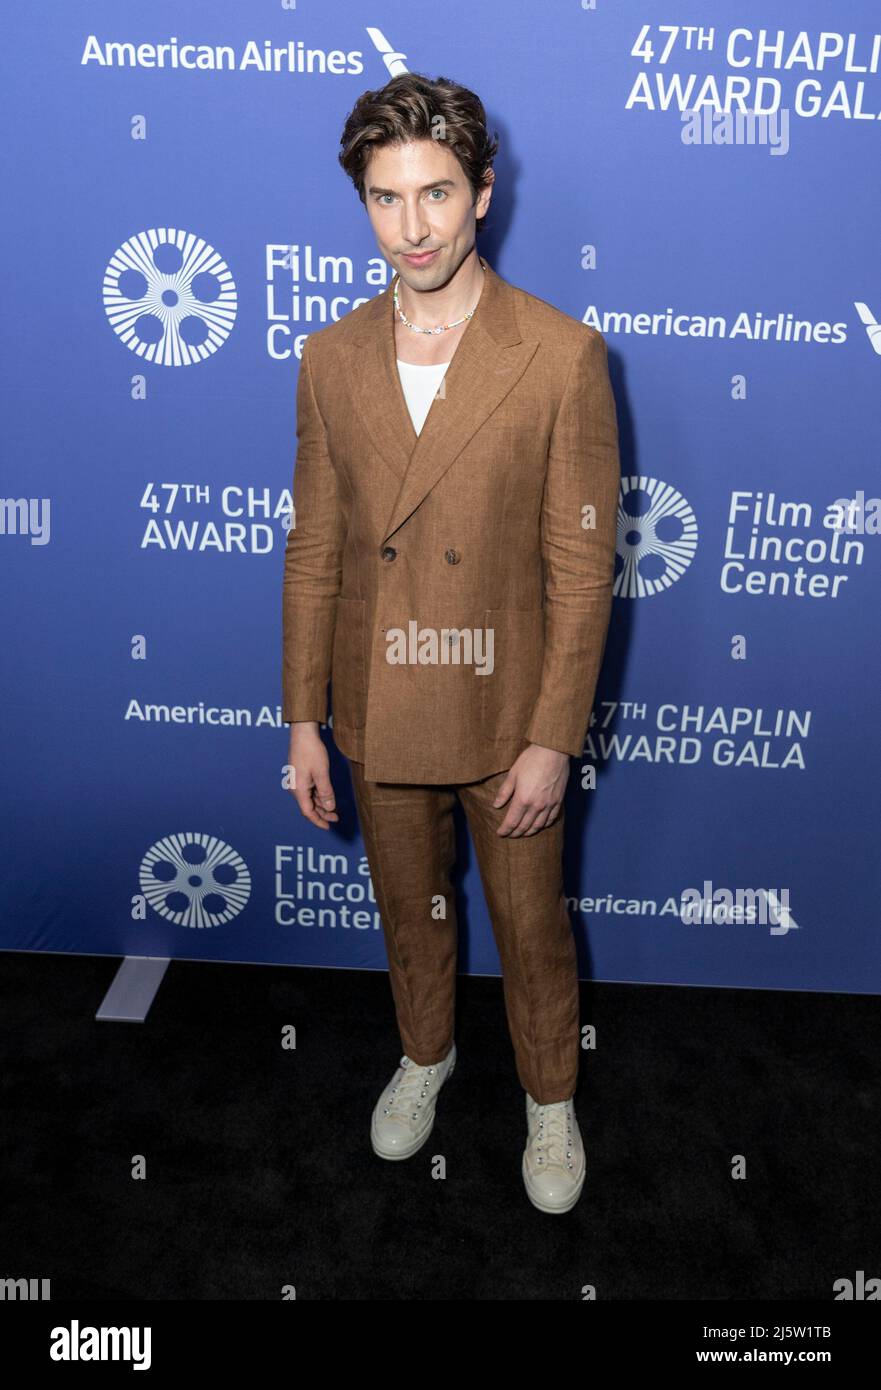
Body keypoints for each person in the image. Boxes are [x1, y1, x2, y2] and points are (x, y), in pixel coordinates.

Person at [282, 72, 620, 1214]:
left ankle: (548, 1097)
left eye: (433, 194)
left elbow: (581, 572)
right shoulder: (329, 359)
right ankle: (423, 1056)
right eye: (384, 199)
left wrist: (550, 738)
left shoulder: (561, 355)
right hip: (379, 708)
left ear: (481, 193)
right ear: (362, 205)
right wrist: (301, 719)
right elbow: (313, 552)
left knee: (531, 926)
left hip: (505, 713)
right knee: (407, 906)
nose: (411, 228)